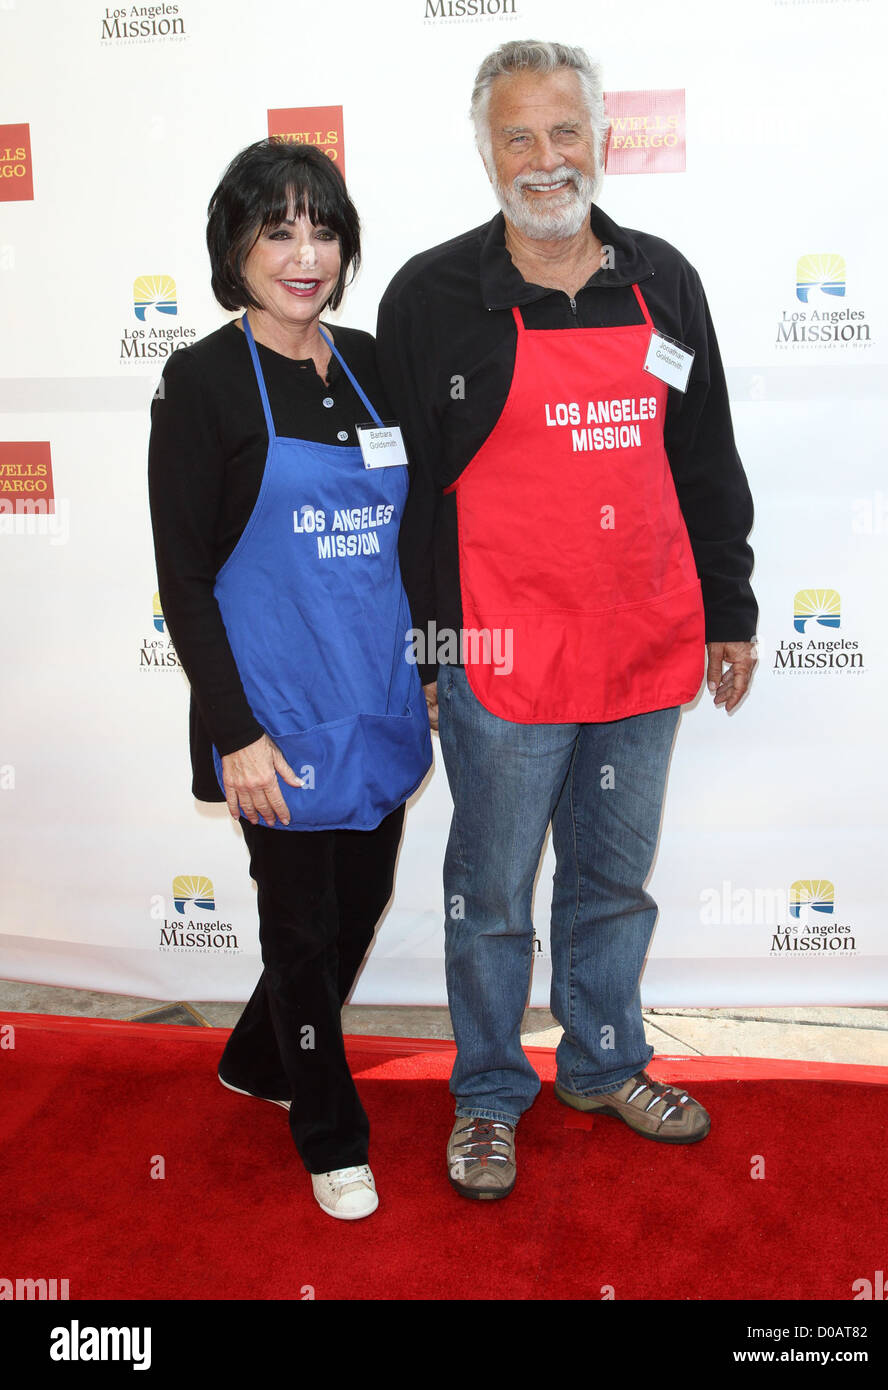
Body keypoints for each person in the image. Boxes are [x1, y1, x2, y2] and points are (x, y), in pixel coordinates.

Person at [377, 40, 757, 1199]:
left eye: (565, 132)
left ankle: (604, 1060)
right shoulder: (430, 298)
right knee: (491, 897)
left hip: (643, 640)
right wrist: (432, 650)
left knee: (613, 878)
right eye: (519, 137)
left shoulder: (663, 278)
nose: (546, 160)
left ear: (602, 138)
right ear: (487, 151)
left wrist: (728, 607)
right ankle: (490, 1091)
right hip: (501, 651)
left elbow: (703, 455)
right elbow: (410, 498)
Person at [148, 139, 431, 1220]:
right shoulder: (205, 379)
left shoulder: (366, 363)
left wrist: (432, 666)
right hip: (272, 708)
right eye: (279, 230)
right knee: (303, 929)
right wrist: (238, 733)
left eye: (323, 231)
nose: (305, 254)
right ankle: (328, 1127)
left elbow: (411, 535)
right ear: (237, 245)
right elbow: (182, 576)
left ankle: (260, 1056)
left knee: (358, 907)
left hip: (376, 694)